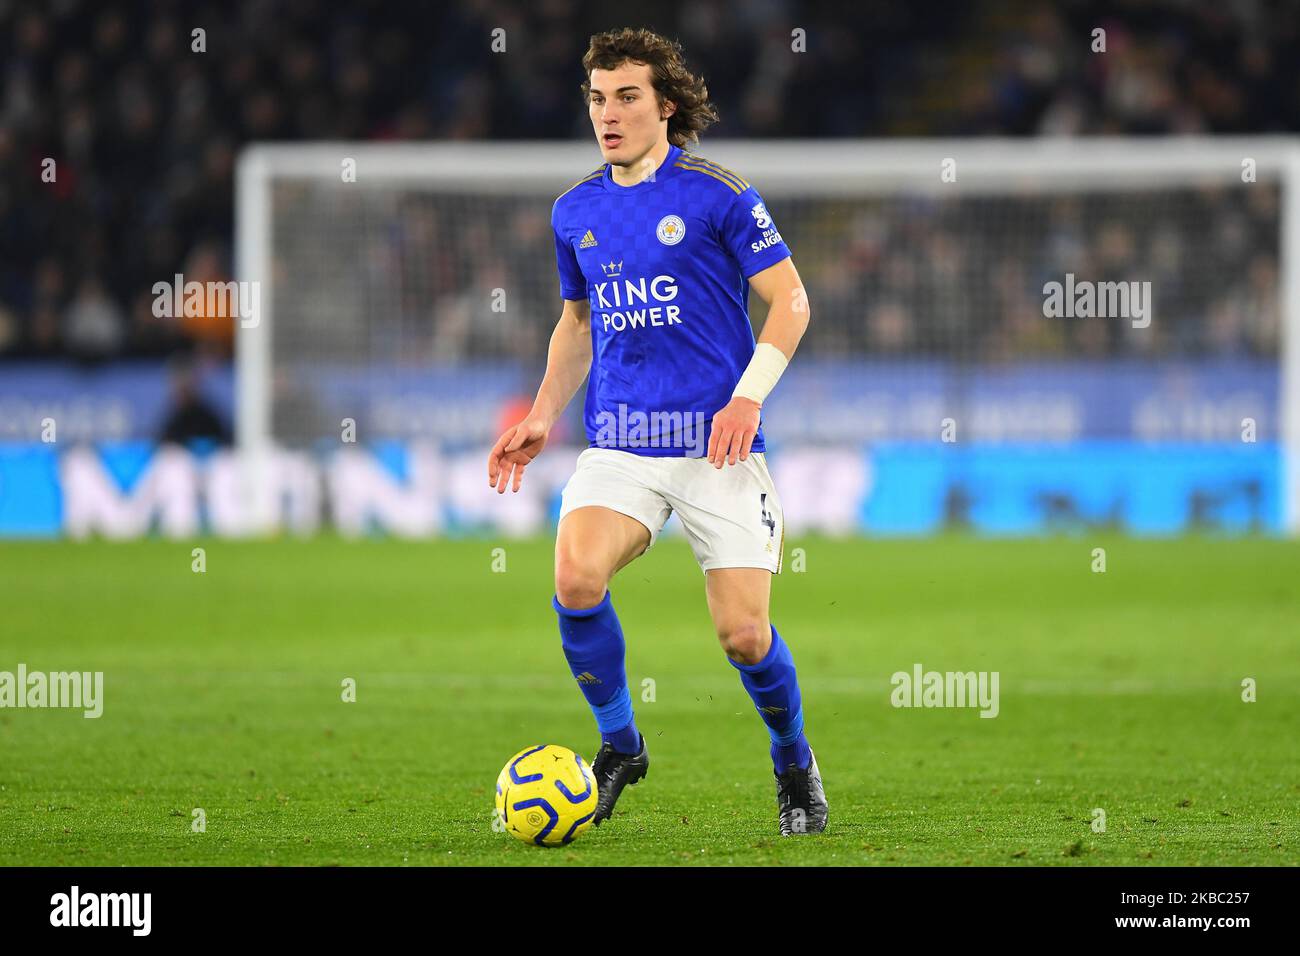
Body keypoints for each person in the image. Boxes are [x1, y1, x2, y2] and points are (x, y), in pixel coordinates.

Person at [487, 27, 824, 835]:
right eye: (598, 98)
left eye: (627, 96)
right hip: (623, 442)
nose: (609, 113)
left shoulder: (718, 193)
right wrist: (542, 413)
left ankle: (792, 762)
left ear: (665, 106)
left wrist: (747, 399)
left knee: (744, 636)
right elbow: (577, 326)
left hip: (720, 446)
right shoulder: (576, 212)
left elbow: (793, 301)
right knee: (574, 580)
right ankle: (621, 746)